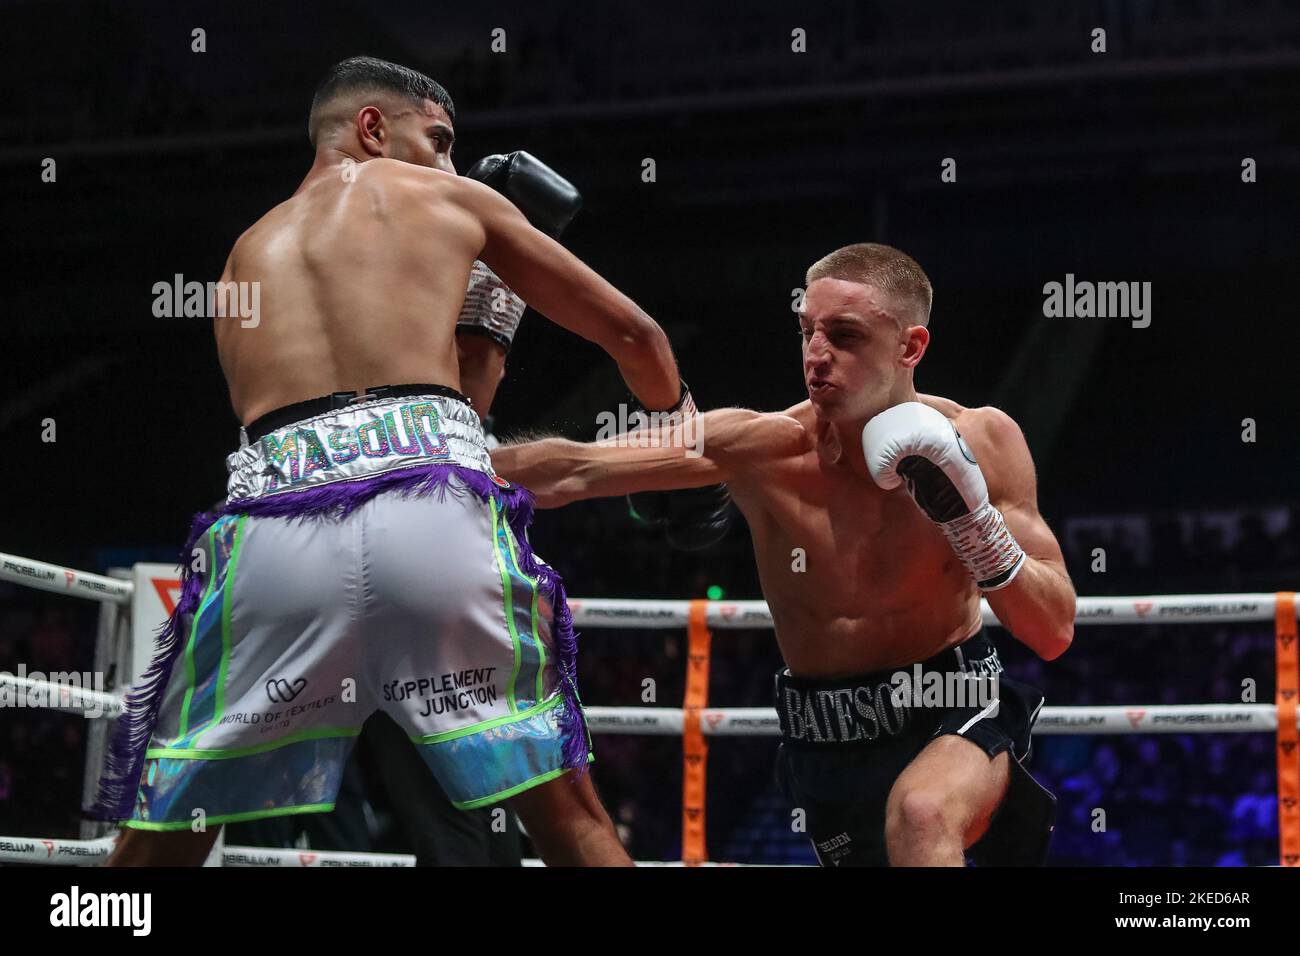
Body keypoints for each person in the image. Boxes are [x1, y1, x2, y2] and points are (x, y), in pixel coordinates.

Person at [89, 55, 690, 867]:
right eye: (437, 139)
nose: (448, 162)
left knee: (164, 837)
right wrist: (677, 424)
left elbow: (323, 429)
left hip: (270, 539)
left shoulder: (241, 258)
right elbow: (635, 337)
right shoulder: (451, 199)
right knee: (567, 816)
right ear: (373, 127)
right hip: (430, 523)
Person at [490, 242, 1076, 866]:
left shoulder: (983, 438)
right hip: (825, 737)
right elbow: (576, 470)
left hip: (953, 710)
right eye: (807, 331)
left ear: (911, 348)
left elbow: (1053, 629)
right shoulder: (761, 447)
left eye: (844, 335)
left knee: (922, 812)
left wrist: (973, 524)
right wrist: (436, 449)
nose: (817, 355)